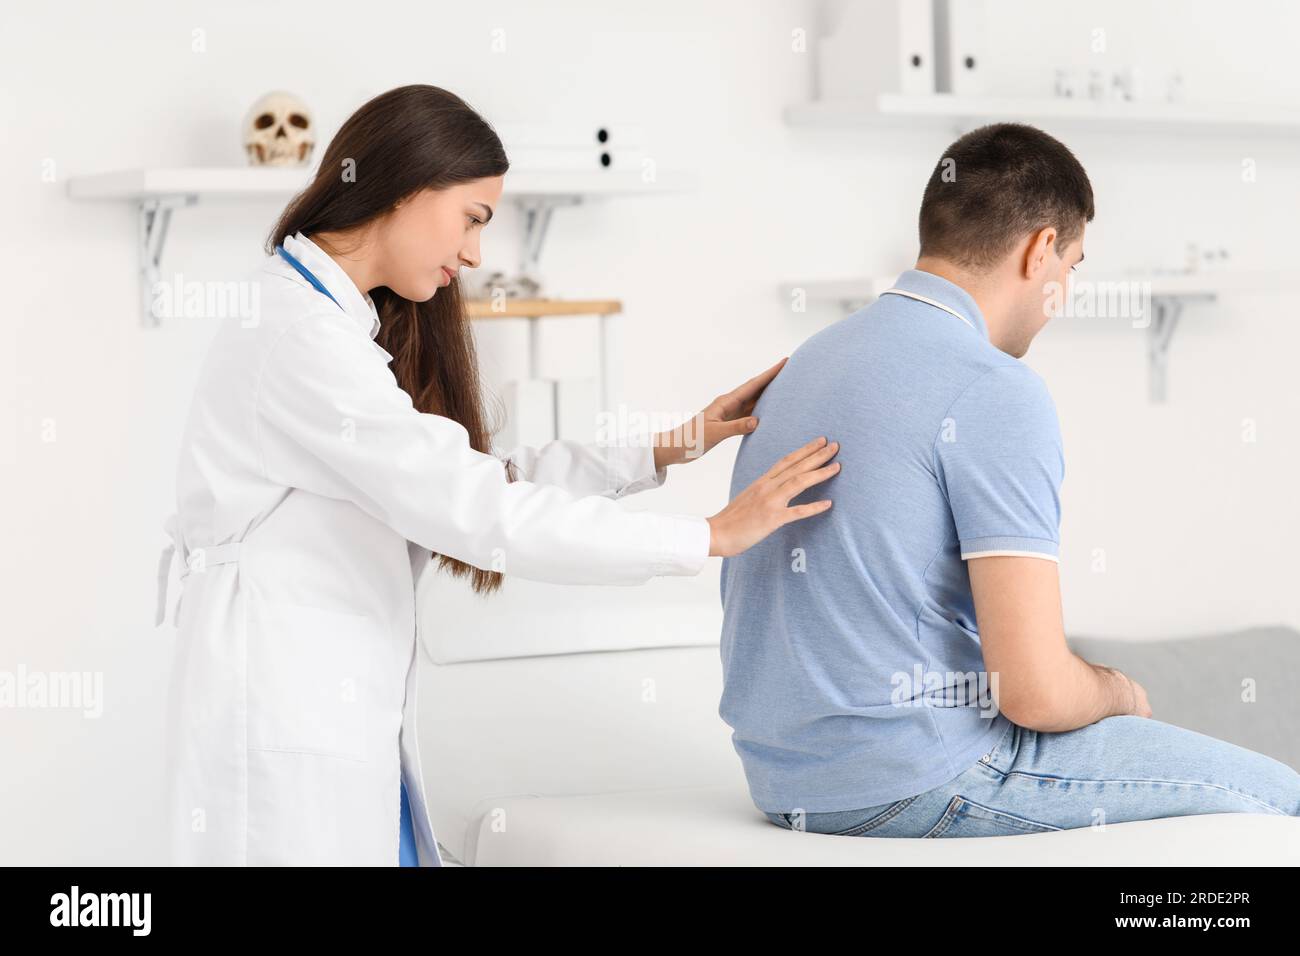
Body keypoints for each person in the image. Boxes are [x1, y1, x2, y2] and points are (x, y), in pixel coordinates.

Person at [157, 84, 840, 865]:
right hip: (281, 718)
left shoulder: (333, 328)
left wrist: (668, 448)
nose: (477, 253)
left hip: (328, 709)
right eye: (473, 218)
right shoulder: (297, 337)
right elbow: (478, 509)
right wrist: (708, 536)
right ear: (409, 186)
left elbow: (479, 477)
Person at [719, 122, 1300, 838]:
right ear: (1041, 249)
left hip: (782, 775)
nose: (1066, 289)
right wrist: (1118, 690)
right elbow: (1032, 692)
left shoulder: (809, 361)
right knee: (1284, 798)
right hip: (915, 776)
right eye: (1074, 266)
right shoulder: (995, 388)